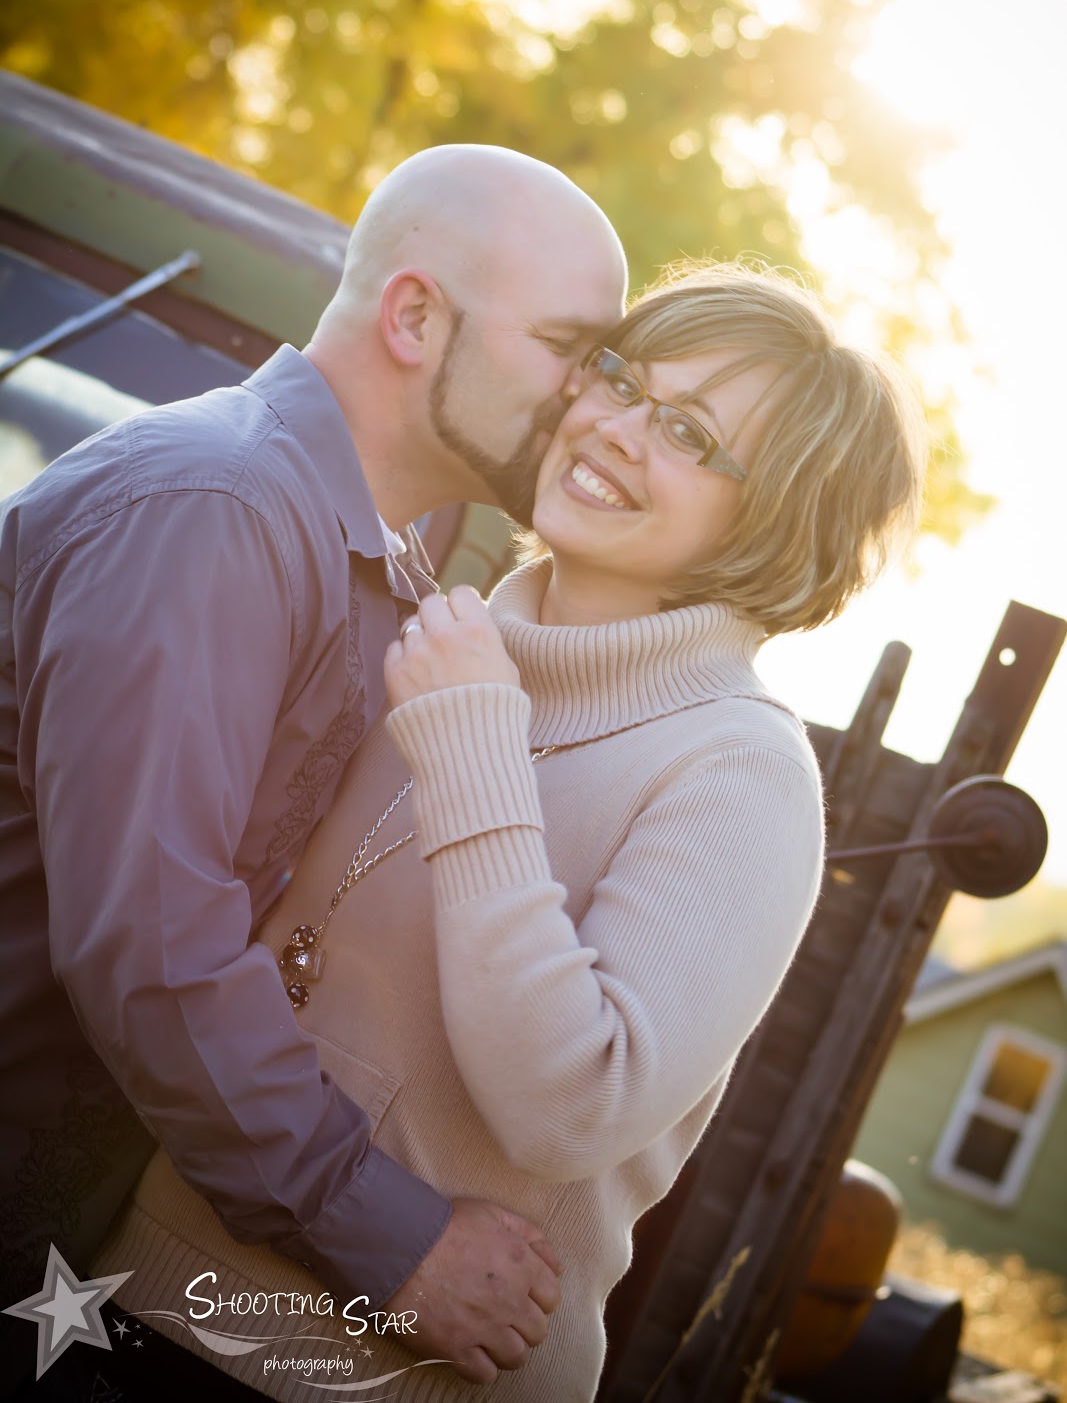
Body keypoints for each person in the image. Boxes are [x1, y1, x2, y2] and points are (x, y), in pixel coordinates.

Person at [91, 263, 928, 1401]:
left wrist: (474, 744)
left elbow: (572, 1102)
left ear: (776, 520)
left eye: (685, 430)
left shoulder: (741, 772)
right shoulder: (437, 633)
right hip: (130, 1298)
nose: (614, 426)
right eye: (620, 378)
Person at [0, 144, 628, 1389]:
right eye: (569, 347)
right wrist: (394, 1245)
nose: (588, 403)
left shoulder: (396, 549)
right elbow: (155, 947)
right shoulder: (212, 511)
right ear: (413, 315)